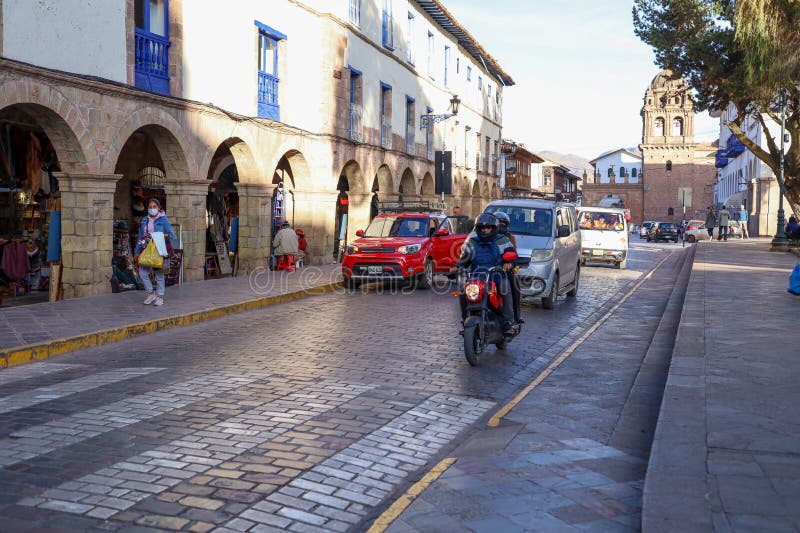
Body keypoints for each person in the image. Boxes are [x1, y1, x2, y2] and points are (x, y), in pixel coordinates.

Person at [454, 213, 516, 333]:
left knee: (505, 288)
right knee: (463, 291)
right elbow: (464, 260)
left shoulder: (502, 240)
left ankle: (508, 322)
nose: (485, 230)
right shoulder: (472, 242)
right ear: (478, 228)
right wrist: (458, 267)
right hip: (476, 278)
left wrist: (509, 263)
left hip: (497, 276)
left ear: (494, 228)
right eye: (482, 228)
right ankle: (465, 320)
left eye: (488, 228)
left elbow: (512, 255)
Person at [135, 198, 175, 306]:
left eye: (154, 207)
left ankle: (160, 296)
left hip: (158, 250)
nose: (152, 209)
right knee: (142, 273)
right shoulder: (144, 220)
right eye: (150, 207)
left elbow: (171, 235)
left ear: (159, 208)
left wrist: (157, 238)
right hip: (146, 250)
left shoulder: (163, 220)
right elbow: (140, 236)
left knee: (159, 275)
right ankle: (150, 293)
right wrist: (137, 251)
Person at [495, 212, 523, 324]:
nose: (501, 225)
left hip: (504, 269)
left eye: (503, 223)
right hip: (488, 269)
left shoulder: (509, 238)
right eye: (499, 223)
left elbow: (514, 255)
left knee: (514, 283)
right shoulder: (485, 237)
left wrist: (510, 264)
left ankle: (517, 313)